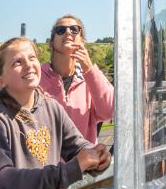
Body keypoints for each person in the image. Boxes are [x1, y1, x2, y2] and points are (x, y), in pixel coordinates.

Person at [0, 38, 111, 189]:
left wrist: (96, 155)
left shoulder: (52, 107)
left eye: (32, 58)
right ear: (0, 81)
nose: (28, 65)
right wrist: (67, 172)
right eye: (17, 62)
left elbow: (77, 146)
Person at [39, 14, 114, 144]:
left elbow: (109, 111)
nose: (68, 32)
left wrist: (89, 68)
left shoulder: (90, 79)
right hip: (46, 163)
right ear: (51, 43)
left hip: (83, 162)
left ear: (82, 41)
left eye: (74, 29)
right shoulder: (37, 77)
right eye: (60, 30)